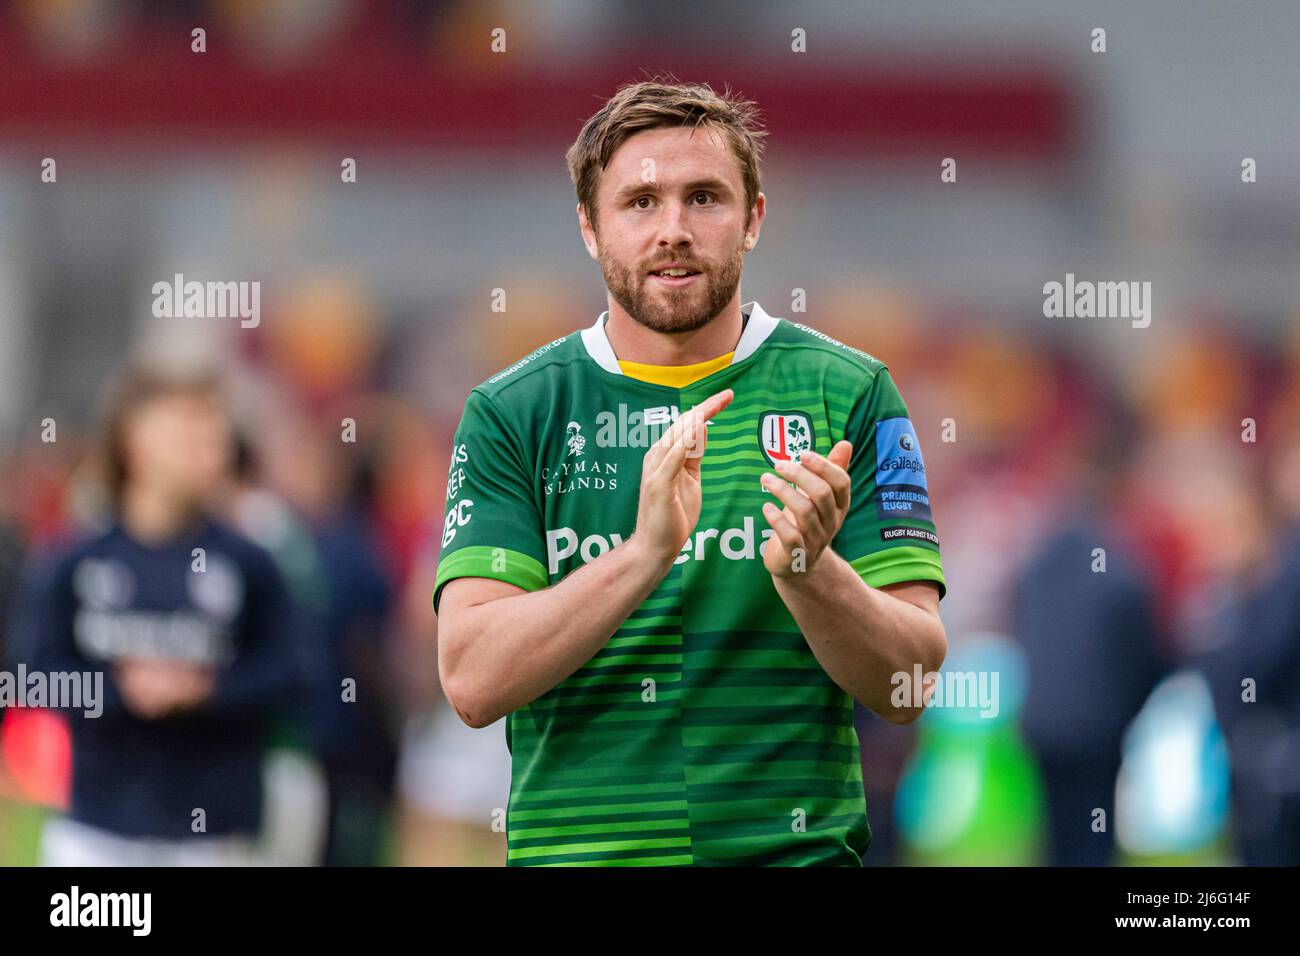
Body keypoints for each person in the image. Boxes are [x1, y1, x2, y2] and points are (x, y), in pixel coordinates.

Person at [433, 78, 948, 866]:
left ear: (754, 219)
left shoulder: (850, 391)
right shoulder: (515, 409)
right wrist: (643, 555)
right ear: (589, 228)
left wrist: (813, 574)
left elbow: (910, 684)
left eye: (704, 198)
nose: (673, 229)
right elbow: (471, 680)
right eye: (640, 203)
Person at [10, 367, 305, 866]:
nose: (209, 444)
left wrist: (206, 691)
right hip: (96, 831)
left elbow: (295, 675)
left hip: (212, 836)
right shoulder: (76, 561)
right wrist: (122, 691)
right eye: (188, 427)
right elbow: (32, 676)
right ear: (134, 440)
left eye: (214, 429)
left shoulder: (250, 563)